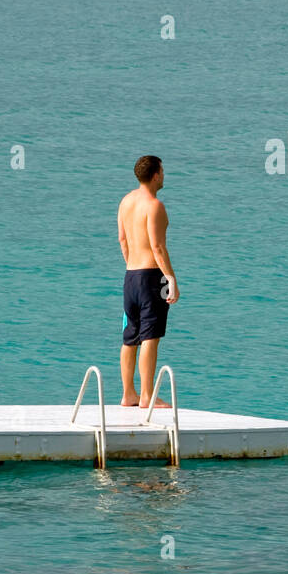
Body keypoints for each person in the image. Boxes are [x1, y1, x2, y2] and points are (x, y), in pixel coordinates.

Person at [117, 155, 178, 408]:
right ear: (155, 175)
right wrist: (171, 279)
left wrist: (132, 267)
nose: (164, 176)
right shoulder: (155, 205)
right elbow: (157, 247)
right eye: (162, 171)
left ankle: (128, 393)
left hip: (130, 275)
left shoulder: (126, 201)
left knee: (130, 336)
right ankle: (146, 396)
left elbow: (122, 239)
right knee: (150, 337)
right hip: (151, 277)